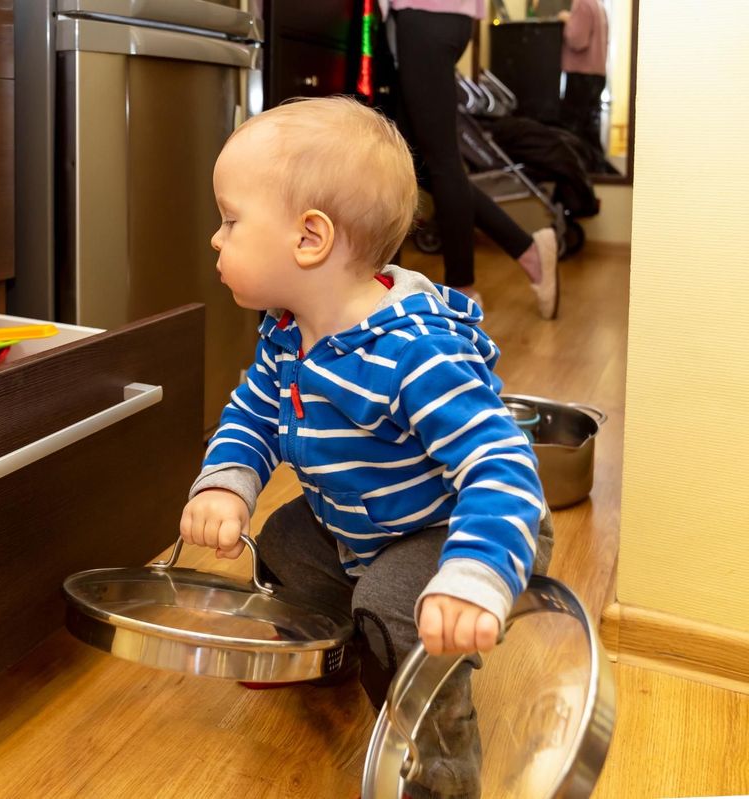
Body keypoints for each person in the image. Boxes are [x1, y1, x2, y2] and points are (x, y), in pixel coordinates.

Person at [180, 97, 553, 798]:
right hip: (357, 520)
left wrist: (472, 573)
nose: (215, 238)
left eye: (230, 220)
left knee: (395, 608)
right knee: (284, 543)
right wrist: (226, 481)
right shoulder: (288, 332)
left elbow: (501, 464)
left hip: (457, 526)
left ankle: (438, 771)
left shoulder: (415, 353)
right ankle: (332, 653)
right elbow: (254, 413)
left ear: (310, 238)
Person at [387, 0, 560, 318]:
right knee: (413, 162)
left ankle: (463, 289)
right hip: (444, 19)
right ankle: (526, 249)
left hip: (425, 17)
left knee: (440, 162)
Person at [558, 0, 610, 155]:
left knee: (575, 131)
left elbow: (577, 41)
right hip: (597, 73)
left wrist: (567, 20)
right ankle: (596, 164)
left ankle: (580, 165)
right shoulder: (598, 4)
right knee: (590, 129)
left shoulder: (582, 3)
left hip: (581, 74)